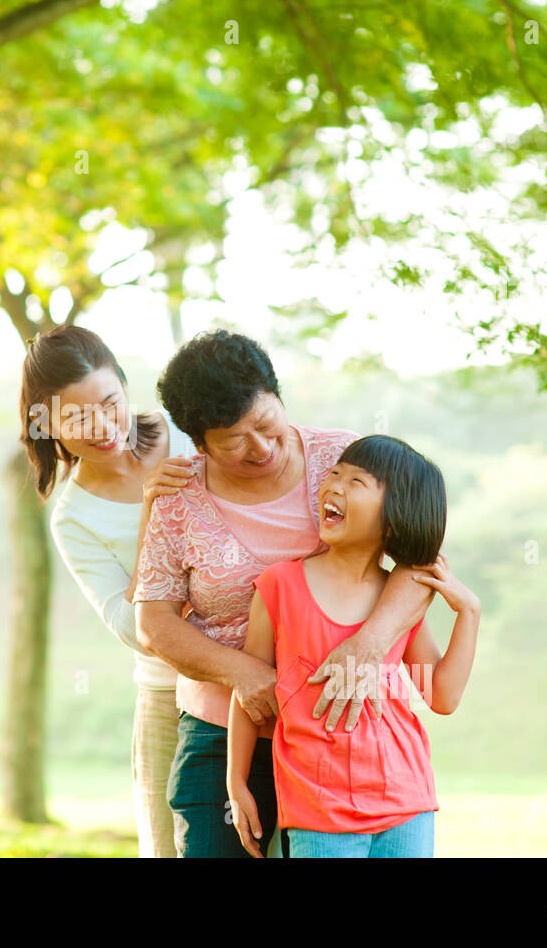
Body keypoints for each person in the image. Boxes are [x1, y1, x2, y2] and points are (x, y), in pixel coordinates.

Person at [134, 330, 435, 858]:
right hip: (223, 730)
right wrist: (245, 674)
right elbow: (153, 621)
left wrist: (368, 645)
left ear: (277, 396)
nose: (262, 447)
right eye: (234, 440)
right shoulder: (178, 496)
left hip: (340, 732)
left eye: (267, 424)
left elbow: (421, 558)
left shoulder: (343, 459)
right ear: (198, 443)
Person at [226, 435, 481, 858]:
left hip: (406, 803)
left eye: (357, 481)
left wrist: (469, 612)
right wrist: (236, 783)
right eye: (334, 474)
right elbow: (249, 687)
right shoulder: (280, 586)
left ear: (395, 514)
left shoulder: (401, 599)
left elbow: (443, 696)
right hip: (318, 811)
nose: (333, 487)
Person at [19, 324, 197, 858]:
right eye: (75, 417)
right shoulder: (75, 517)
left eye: (109, 402)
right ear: (47, 424)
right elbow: (131, 628)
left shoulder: (189, 429)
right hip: (170, 697)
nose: (101, 427)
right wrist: (150, 511)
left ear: (124, 384)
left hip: (262, 674)